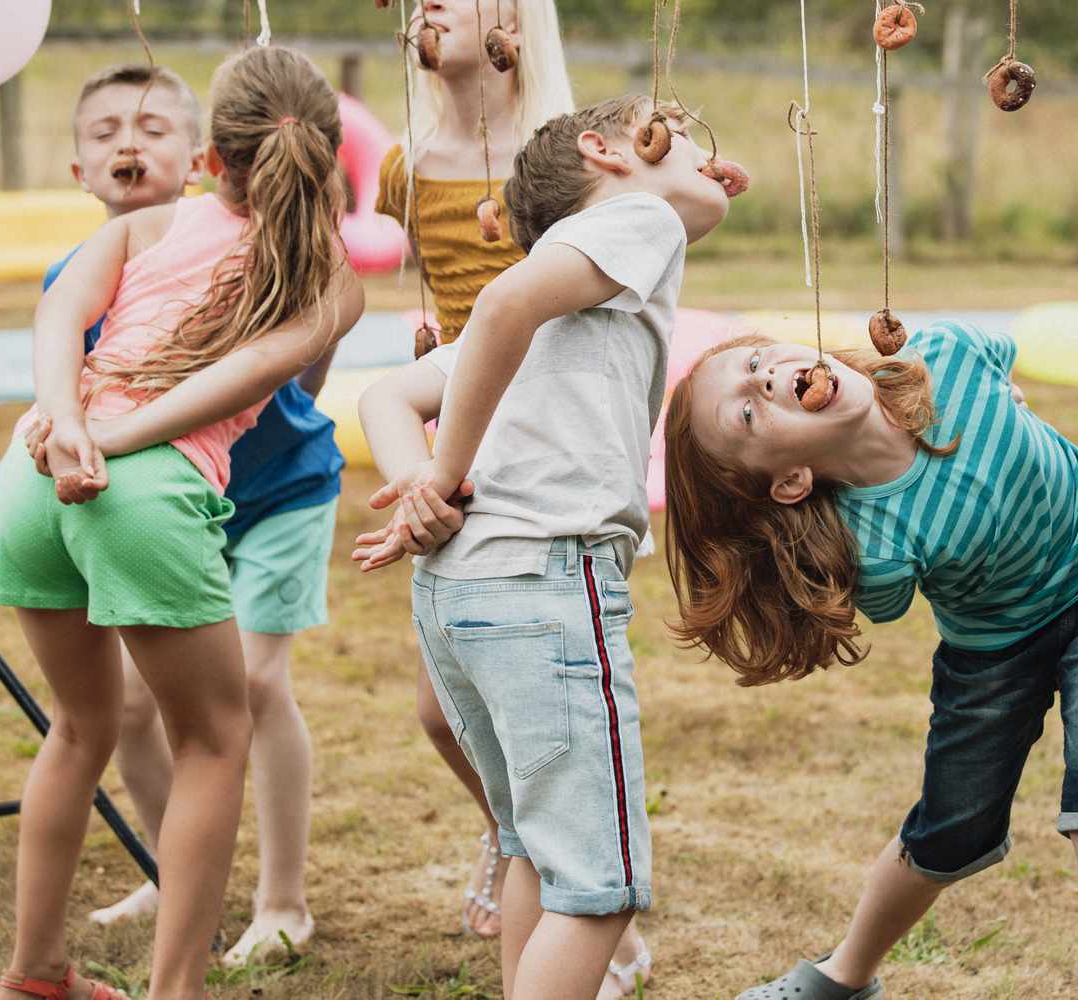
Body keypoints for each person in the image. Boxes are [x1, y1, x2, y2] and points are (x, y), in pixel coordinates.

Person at [0, 45, 363, 1000]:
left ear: (207, 160)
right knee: (213, 740)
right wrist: (105, 437)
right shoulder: (332, 284)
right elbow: (228, 389)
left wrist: (68, 422)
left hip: (30, 471)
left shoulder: (147, 226)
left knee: (77, 725)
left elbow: (59, 317)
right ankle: (176, 993)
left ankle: (34, 972)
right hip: (134, 492)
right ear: (325, 155)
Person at [663, 323, 1078, 1000]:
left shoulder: (948, 357)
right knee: (951, 826)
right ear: (789, 481)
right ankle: (845, 973)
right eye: (749, 412)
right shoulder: (871, 547)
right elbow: (890, 597)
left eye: (756, 360)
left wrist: (1009, 399)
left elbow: (1001, 357)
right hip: (993, 649)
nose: (762, 377)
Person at [354, 95, 729, 1000]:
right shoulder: (630, 223)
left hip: (458, 596)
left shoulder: (572, 285)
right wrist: (438, 481)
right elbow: (506, 297)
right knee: (599, 889)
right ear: (605, 152)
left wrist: (416, 486)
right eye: (671, 127)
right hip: (546, 581)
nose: (698, 146)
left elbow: (383, 399)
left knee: (532, 842)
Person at [377, 4, 652, 988]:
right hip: (458, 410)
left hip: (538, 438)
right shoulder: (406, 165)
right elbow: (449, 305)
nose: (430, 9)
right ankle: (534, 845)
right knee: (445, 712)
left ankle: (571, 889)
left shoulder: (563, 148)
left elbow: (541, 298)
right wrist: (425, 453)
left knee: (516, 708)